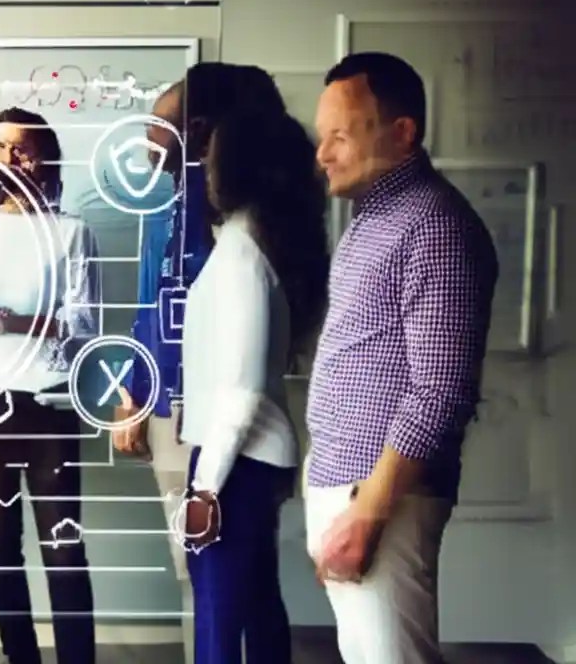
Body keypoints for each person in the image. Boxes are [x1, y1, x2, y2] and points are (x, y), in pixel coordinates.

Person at [305, 52, 497, 663]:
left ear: (402, 131)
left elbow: (440, 393)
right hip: (349, 488)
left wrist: (367, 513)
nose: (323, 153)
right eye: (321, 137)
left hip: (382, 498)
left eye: (339, 134)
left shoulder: (433, 223)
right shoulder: (373, 220)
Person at [164, 109, 331, 663]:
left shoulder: (241, 258)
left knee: (219, 615)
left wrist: (206, 488)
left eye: (211, 158)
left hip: (234, 463)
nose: (204, 170)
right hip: (247, 459)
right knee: (257, 607)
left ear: (238, 169)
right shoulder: (255, 246)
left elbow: (240, 390)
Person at [0, 107, 101, 664]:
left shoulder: (72, 232)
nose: (11, 158)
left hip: (47, 402)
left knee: (62, 549)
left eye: (24, 148)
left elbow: (85, 328)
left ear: (46, 159)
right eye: (1, 147)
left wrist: (12, 322)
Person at [113, 63, 290, 458]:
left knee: (199, 514)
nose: (148, 130)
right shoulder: (167, 205)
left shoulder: (220, 212)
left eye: (160, 121)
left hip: (197, 411)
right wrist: (132, 389)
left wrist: (186, 399)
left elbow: (211, 318)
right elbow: (151, 306)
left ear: (193, 129)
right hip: (167, 403)